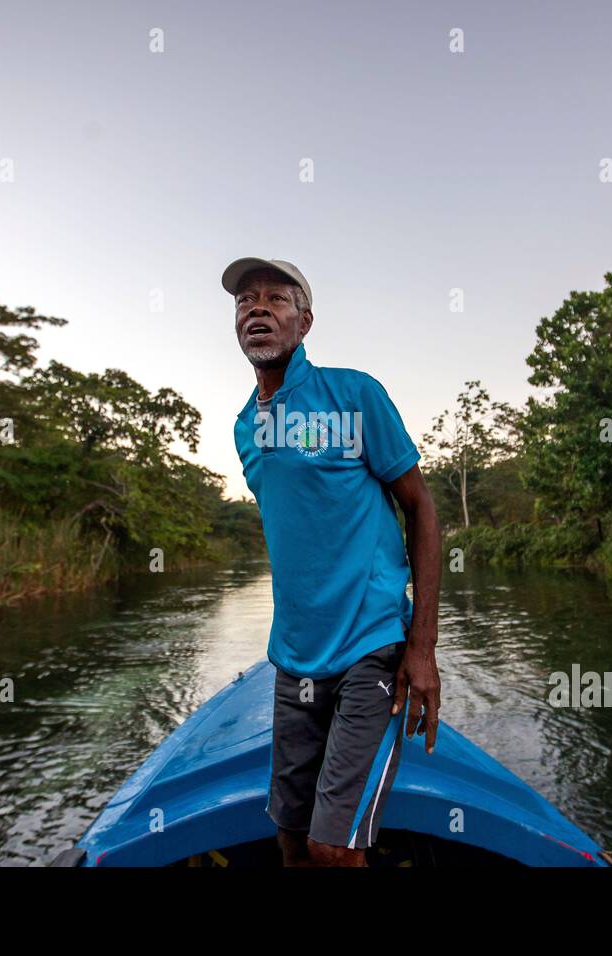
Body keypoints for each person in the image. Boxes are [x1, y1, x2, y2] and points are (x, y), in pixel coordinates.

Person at [225, 256, 442, 867]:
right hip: (295, 658)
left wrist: (420, 648)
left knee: (330, 847)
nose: (257, 309)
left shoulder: (353, 395)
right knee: (290, 834)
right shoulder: (246, 426)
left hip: (370, 644)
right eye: (245, 302)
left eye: (275, 299)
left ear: (305, 321)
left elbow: (421, 510)